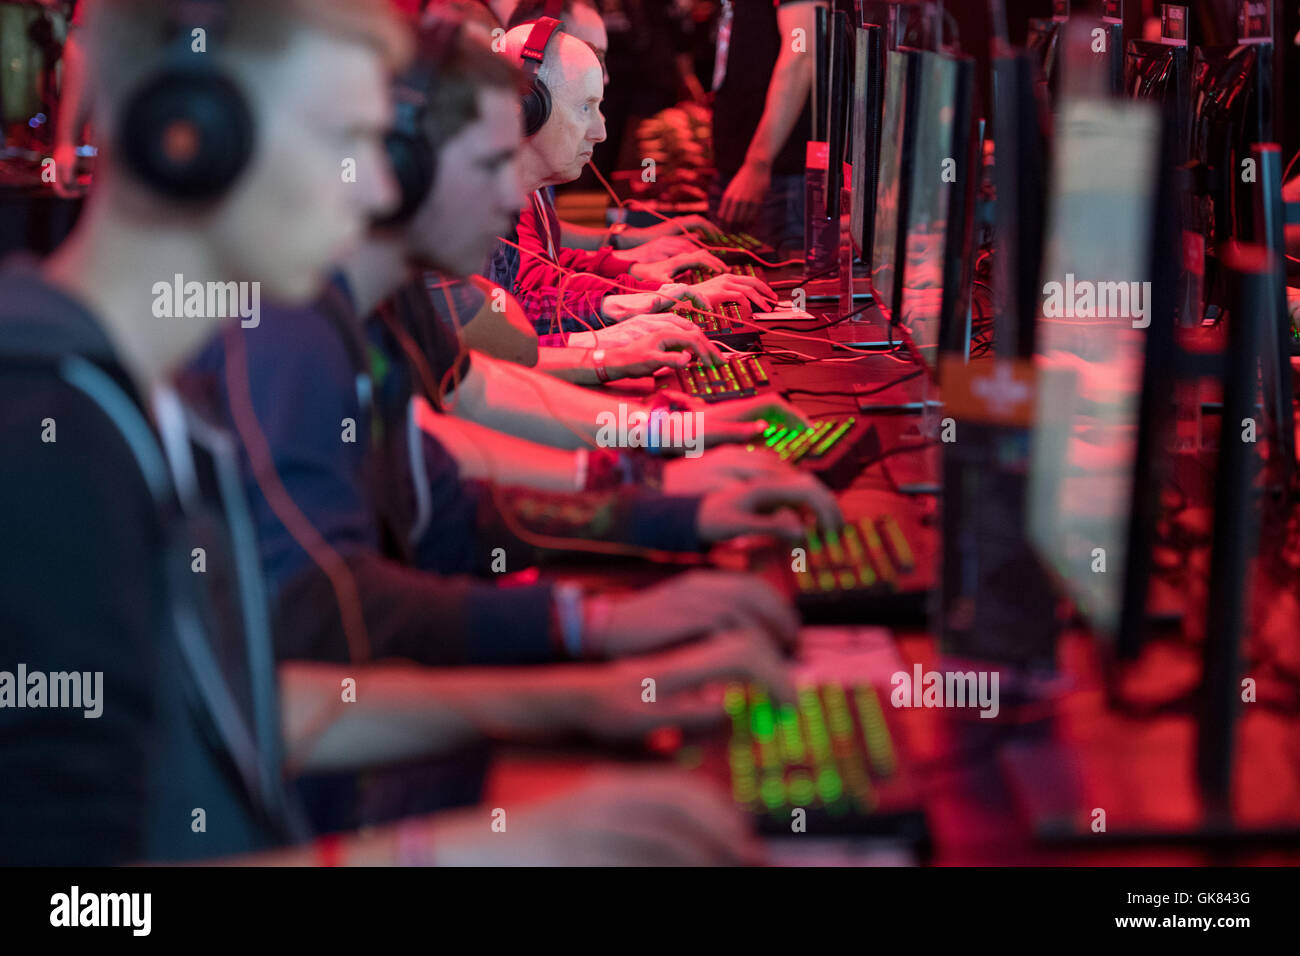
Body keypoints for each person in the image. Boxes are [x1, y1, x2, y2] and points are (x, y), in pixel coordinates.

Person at [0, 0, 760, 866]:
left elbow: (248, 707)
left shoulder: (160, 392)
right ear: (195, 138)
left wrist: (586, 693)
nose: (386, 183)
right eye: (345, 141)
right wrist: (489, 850)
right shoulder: (48, 442)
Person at [491, 19, 777, 333]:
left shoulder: (508, 198)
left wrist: (633, 282)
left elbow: (522, 300)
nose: (600, 134)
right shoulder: (476, 207)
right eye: (585, 107)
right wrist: (607, 344)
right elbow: (500, 337)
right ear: (529, 106)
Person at [710, 0, 826, 255]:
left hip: (779, 176)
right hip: (747, 170)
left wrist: (758, 163)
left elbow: (802, 54)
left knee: (776, 286)